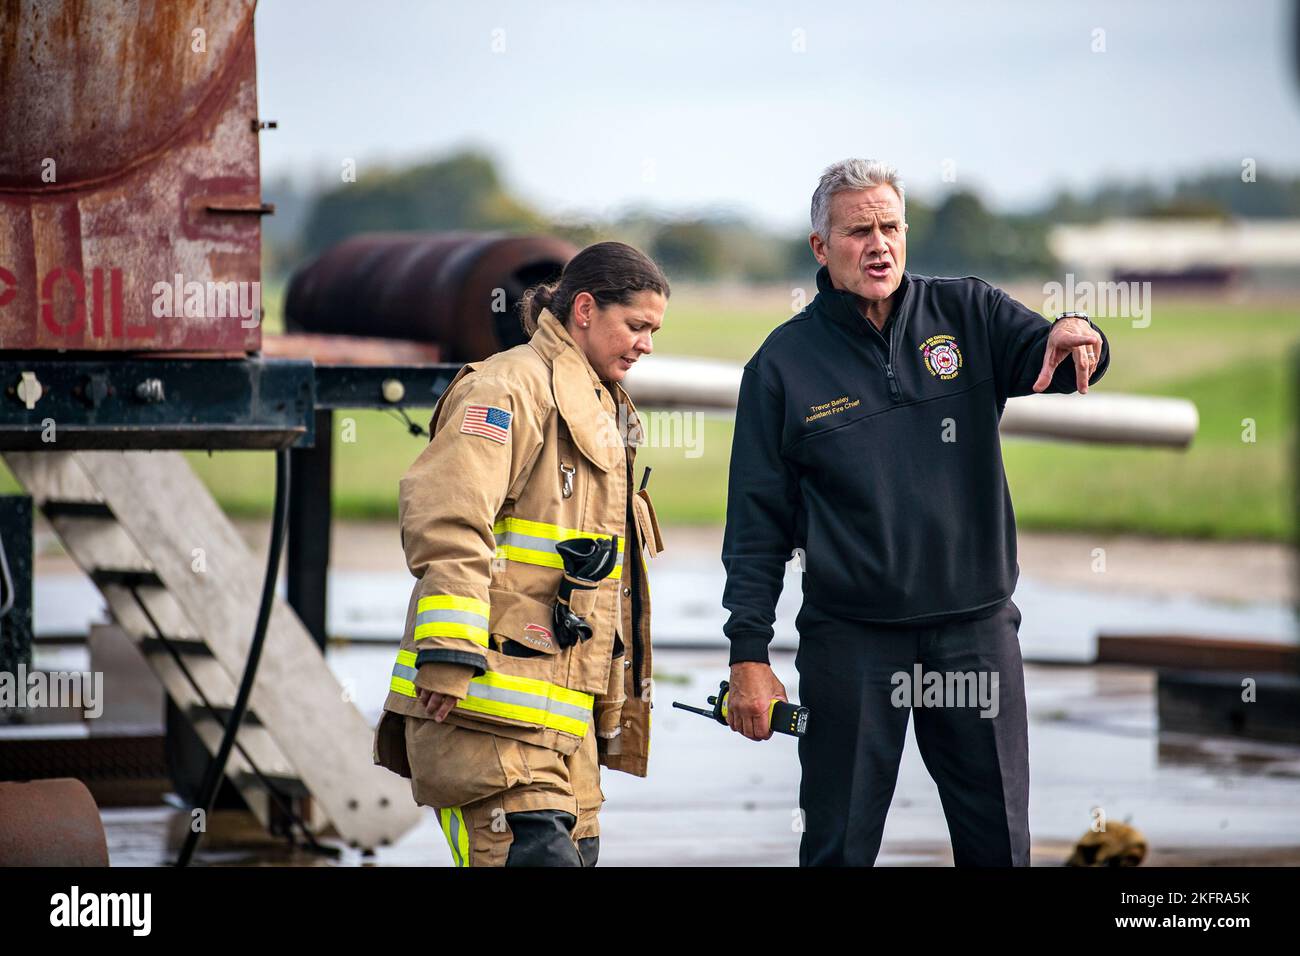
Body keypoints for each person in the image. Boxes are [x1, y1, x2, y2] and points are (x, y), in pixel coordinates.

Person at [720, 158, 1111, 866]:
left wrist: (1081, 333)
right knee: (838, 847)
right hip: (852, 643)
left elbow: (1055, 353)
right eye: (858, 230)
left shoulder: (967, 311)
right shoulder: (780, 367)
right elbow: (755, 528)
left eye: (891, 226)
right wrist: (748, 653)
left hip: (976, 632)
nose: (879, 245)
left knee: (999, 846)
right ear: (820, 247)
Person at [372, 241, 669, 866]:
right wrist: (449, 653)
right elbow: (448, 517)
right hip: (483, 712)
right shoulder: (508, 388)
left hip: (564, 731)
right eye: (637, 326)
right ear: (585, 309)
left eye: (653, 331)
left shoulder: (597, 403)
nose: (647, 345)